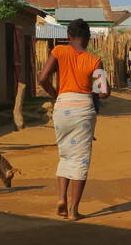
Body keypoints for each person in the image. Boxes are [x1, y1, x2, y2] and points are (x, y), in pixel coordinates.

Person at [39, 19, 109, 220]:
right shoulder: (94, 61)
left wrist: (56, 95)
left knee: (65, 155)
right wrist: (100, 92)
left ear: (69, 37)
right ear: (88, 38)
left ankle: (61, 198)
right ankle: (73, 211)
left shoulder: (59, 51)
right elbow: (102, 91)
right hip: (83, 109)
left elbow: (42, 79)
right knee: (80, 159)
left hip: (62, 106)